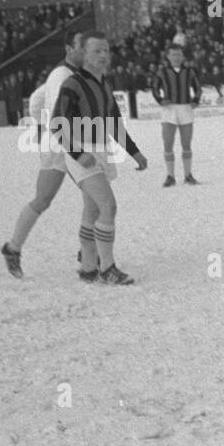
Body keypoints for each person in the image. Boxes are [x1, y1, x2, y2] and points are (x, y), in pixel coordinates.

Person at [50, 31, 149, 285]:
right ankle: (108, 268)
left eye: (106, 50)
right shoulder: (72, 84)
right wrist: (78, 153)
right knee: (108, 205)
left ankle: (87, 267)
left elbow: (115, 122)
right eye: (97, 51)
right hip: (81, 151)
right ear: (83, 54)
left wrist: (135, 152)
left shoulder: (104, 82)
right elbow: (57, 123)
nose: (104, 55)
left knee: (92, 209)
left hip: (101, 149)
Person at [0, 31, 99, 279]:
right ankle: (13, 248)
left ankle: (86, 252)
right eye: (81, 46)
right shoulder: (61, 75)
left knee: (94, 197)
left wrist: (40, 125)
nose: (85, 50)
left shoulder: (77, 73)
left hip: (65, 142)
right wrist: (43, 127)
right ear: (69, 49)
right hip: (62, 145)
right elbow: (48, 107)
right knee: (46, 199)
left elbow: (36, 99)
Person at [151, 43, 201, 186]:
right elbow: (154, 88)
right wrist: (161, 100)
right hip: (169, 110)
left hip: (185, 108)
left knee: (186, 144)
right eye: (173, 54)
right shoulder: (162, 72)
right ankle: (170, 176)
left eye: (178, 54)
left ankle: (188, 175)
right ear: (168, 56)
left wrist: (196, 100)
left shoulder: (189, 71)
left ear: (183, 56)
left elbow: (198, 87)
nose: (176, 57)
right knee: (168, 143)